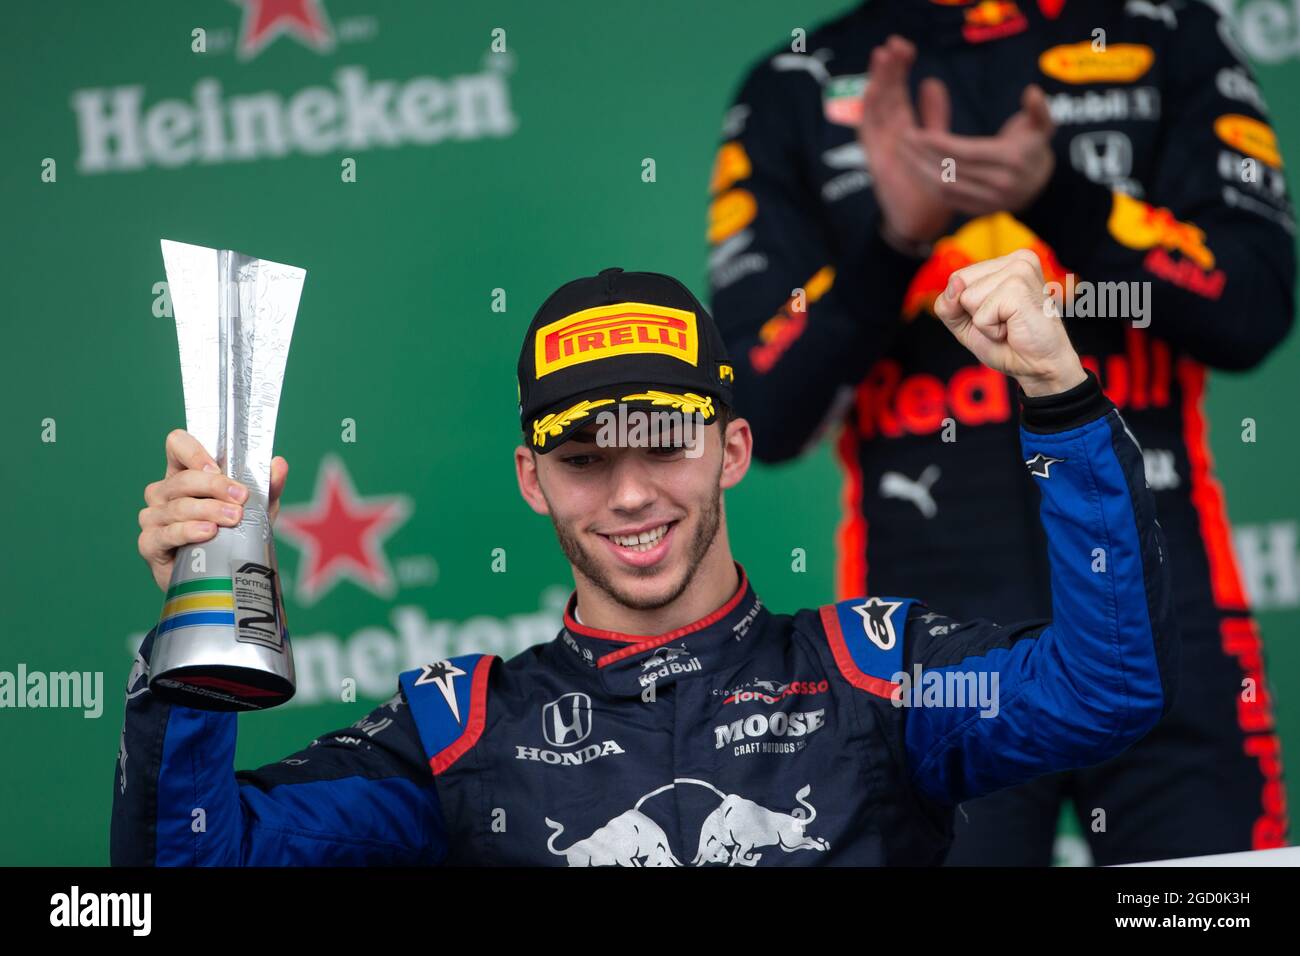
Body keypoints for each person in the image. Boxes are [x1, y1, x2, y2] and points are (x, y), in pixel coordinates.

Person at [113, 259, 1174, 866]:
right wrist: (201, 617)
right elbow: (188, 866)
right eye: (584, 459)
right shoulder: (461, 724)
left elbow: (1104, 689)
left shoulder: (872, 668)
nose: (628, 494)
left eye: (664, 442)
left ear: (732, 449)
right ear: (532, 479)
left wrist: (1059, 393)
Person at [709, 0, 1292, 864]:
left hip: (1166, 614)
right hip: (923, 651)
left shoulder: (1164, 30)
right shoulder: (796, 79)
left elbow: (1254, 305)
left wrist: (1057, 196)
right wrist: (894, 241)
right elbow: (761, 404)